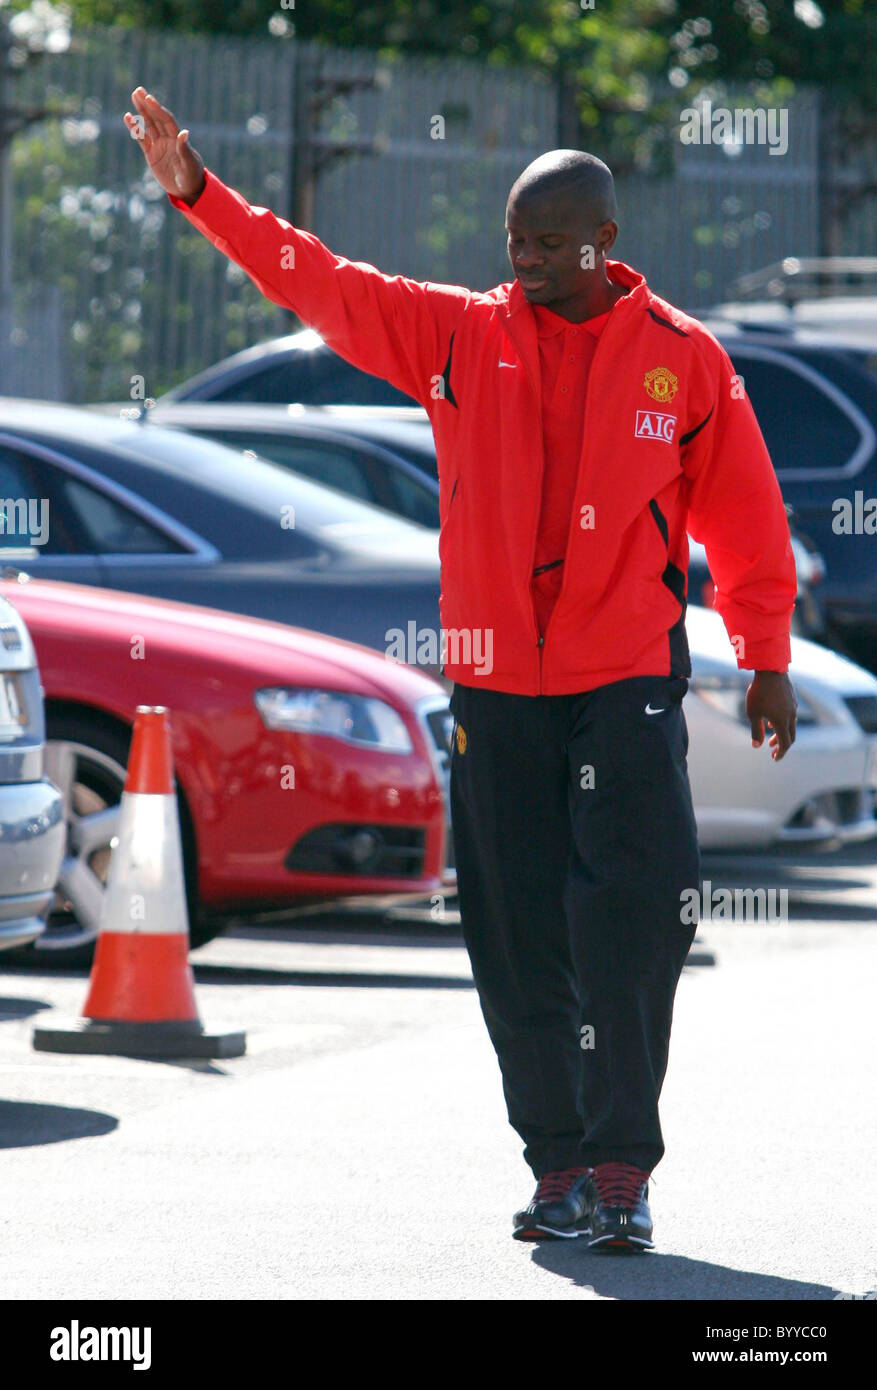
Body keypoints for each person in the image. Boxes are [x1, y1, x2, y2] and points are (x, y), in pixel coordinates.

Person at [125, 86, 798, 1251]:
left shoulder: (682, 361)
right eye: (513, 239)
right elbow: (321, 283)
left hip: (624, 679)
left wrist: (766, 657)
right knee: (512, 927)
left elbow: (744, 519)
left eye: (547, 241)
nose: (523, 258)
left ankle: (622, 1168)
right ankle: (558, 1164)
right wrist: (199, 193)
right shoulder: (458, 336)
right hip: (495, 686)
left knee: (635, 918)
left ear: (604, 242)